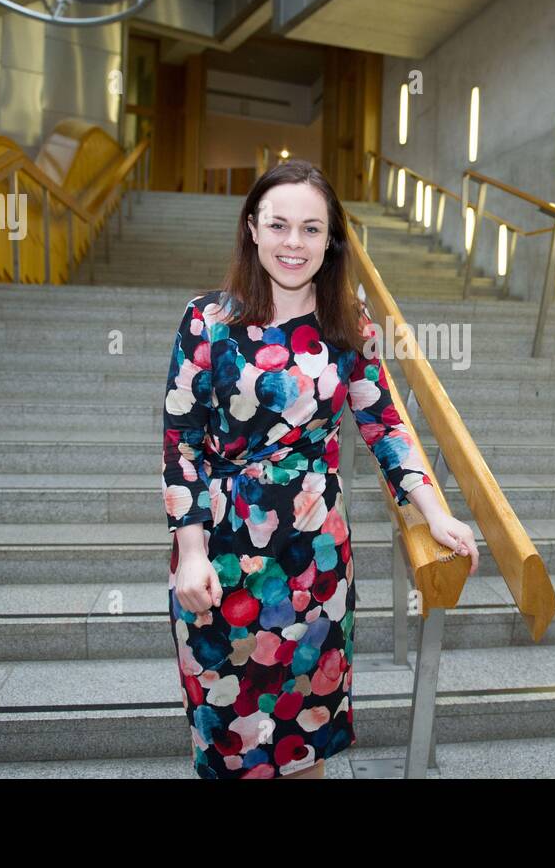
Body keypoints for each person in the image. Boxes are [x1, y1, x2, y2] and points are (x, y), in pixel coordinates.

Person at [161, 158, 479, 779]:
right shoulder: (207, 319)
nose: (293, 243)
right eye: (279, 225)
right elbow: (182, 443)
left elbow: (385, 426)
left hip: (315, 561)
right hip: (220, 555)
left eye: (312, 229)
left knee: (305, 738)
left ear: (330, 239)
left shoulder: (348, 325)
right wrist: (191, 551)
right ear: (253, 228)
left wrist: (435, 513)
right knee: (234, 743)